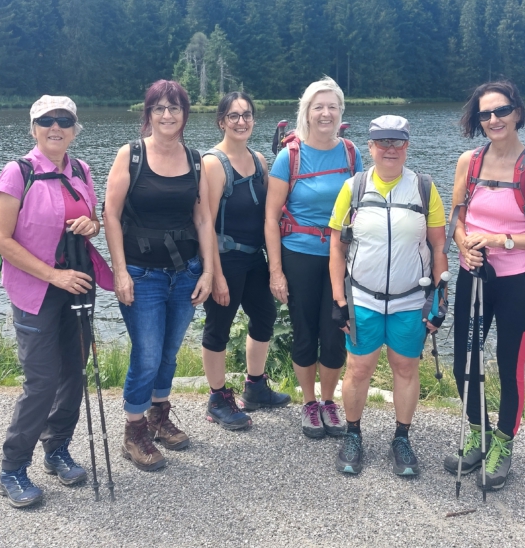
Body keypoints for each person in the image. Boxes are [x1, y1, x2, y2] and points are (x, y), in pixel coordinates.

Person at [0, 95, 112, 507]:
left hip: (76, 285)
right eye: (46, 121)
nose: (55, 127)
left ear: (75, 128)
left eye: (64, 120)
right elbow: (0, 240)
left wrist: (91, 225)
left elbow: (91, 222)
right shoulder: (17, 173)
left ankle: (56, 448)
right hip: (35, 291)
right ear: (33, 128)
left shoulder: (81, 170)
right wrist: (52, 275)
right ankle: (12, 468)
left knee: (74, 373)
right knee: (41, 381)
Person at [443, 81, 525, 490]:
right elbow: (456, 221)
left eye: (502, 111)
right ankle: (479, 431)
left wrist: (500, 240)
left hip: (518, 283)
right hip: (473, 277)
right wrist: (464, 246)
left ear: (518, 112)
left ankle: (504, 445)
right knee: (465, 363)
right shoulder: (468, 163)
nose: (494, 120)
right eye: (485, 115)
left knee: (510, 369)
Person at [103, 80, 221, 471]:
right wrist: (120, 272)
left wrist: (207, 270)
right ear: (148, 113)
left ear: (185, 114)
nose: (167, 115)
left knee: (169, 352)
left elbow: (203, 218)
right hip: (142, 273)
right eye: (159, 108)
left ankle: (158, 415)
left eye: (175, 108)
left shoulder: (195, 159)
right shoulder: (131, 155)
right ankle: (134, 430)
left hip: (184, 272)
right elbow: (111, 215)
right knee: (147, 352)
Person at [328, 115, 447, 476]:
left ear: (407, 145)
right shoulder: (354, 187)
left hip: (410, 300)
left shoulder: (424, 188)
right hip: (362, 298)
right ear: (371, 147)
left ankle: (402, 438)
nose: (390, 150)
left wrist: (440, 300)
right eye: (383, 143)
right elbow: (336, 246)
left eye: (397, 142)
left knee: (406, 368)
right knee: (359, 368)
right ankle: (353, 434)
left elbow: (439, 246)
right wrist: (338, 300)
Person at [265, 77, 363, 438]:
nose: (325, 113)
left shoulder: (352, 153)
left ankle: (328, 402)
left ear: (340, 112)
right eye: (318, 107)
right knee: (305, 331)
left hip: (341, 257)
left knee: (336, 330)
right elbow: (271, 217)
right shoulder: (288, 156)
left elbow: (361, 208)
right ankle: (309, 402)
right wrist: (276, 271)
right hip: (300, 255)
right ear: (306, 112)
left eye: (332, 106)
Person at [201, 91, 291, 430]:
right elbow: (205, 223)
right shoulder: (213, 163)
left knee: (265, 316)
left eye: (247, 115)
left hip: (254, 257)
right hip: (226, 257)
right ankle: (218, 398)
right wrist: (216, 275)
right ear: (222, 121)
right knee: (219, 326)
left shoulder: (258, 161)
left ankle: (254, 386)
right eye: (234, 116)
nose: (241, 121)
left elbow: (271, 210)